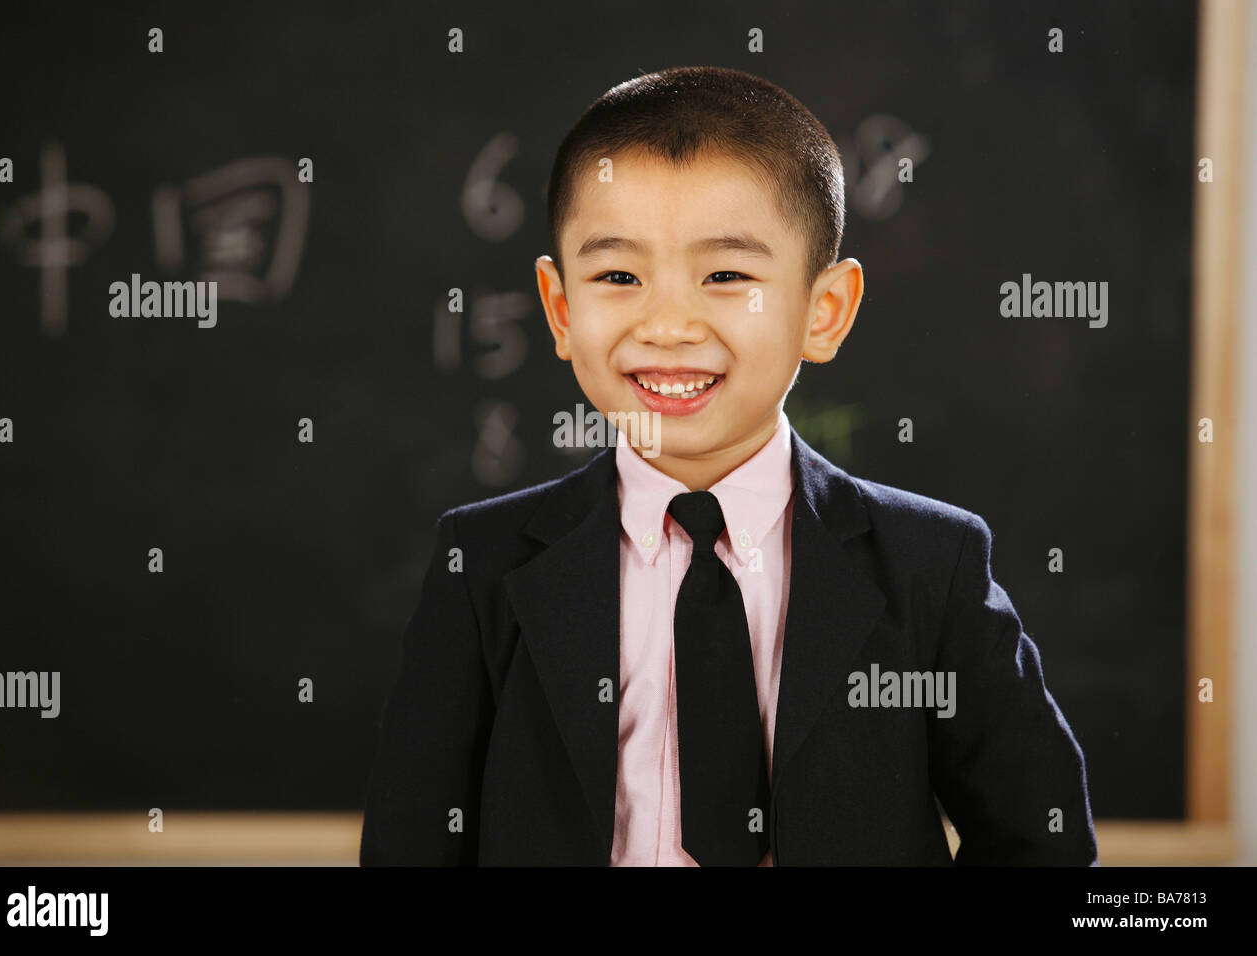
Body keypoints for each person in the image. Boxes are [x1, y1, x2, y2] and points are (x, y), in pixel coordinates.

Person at [360, 65, 1097, 866]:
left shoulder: (929, 565)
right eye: (618, 276)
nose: (669, 324)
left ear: (826, 311)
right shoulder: (483, 565)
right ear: (561, 309)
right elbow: (411, 848)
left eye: (726, 276)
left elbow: (1041, 845)